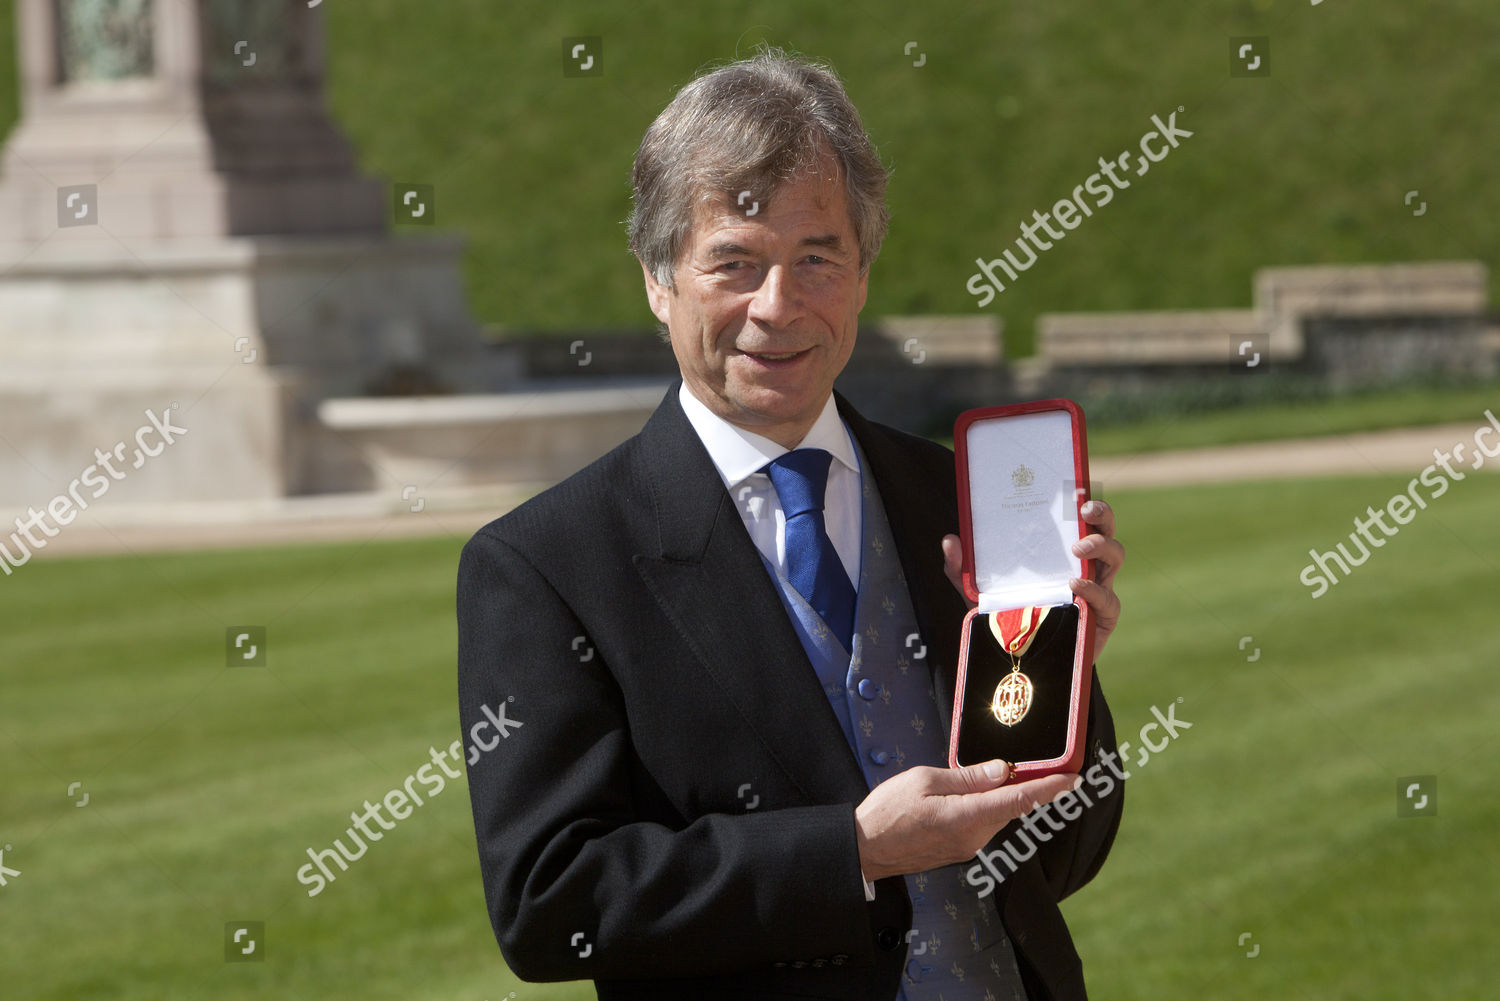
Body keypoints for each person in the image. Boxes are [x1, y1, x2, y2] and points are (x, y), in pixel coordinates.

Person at [457, 48, 1126, 1001]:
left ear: (861, 275)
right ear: (658, 280)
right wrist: (850, 851)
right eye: (734, 263)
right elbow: (548, 904)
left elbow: (1061, 862)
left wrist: (1069, 680)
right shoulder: (545, 565)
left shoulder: (952, 500)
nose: (779, 306)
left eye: (818, 258)